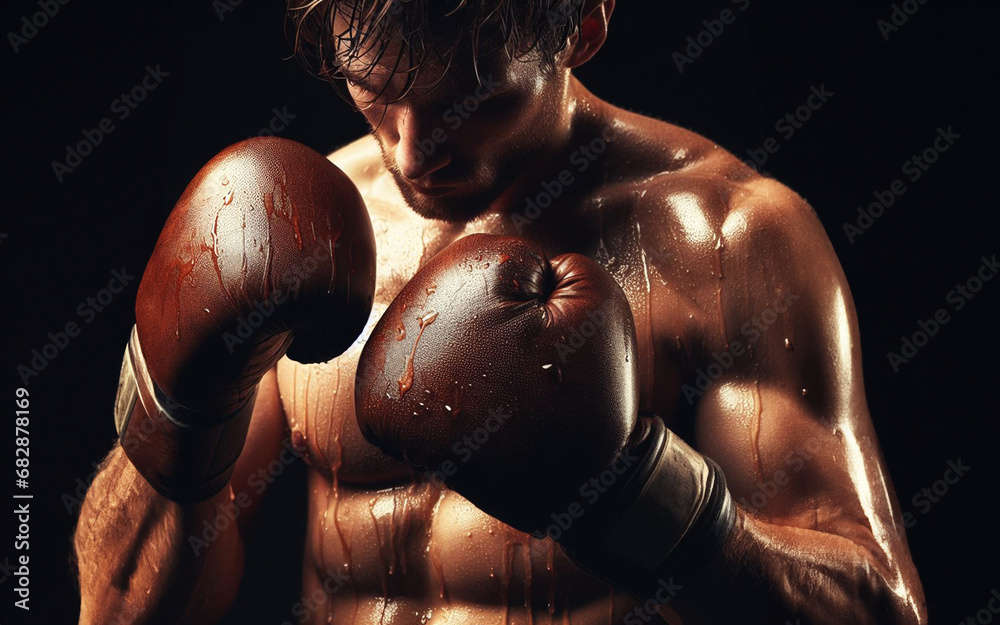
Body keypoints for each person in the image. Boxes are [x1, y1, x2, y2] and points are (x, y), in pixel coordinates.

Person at [74, 1, 927, 623]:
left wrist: (631, 493)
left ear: (583, 26)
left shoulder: (729, 239)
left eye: (471, 100)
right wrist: (177, 412)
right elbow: (117, 610)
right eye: (374, 90)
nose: (412, 150)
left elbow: (876, 609)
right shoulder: (296, 231)